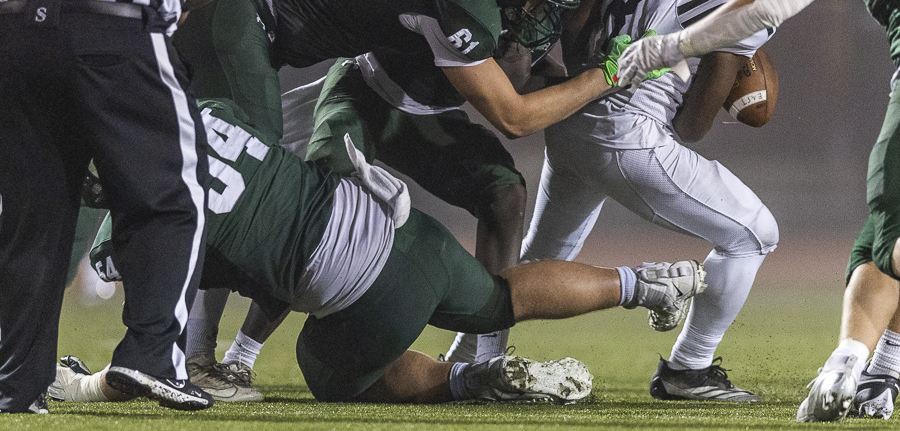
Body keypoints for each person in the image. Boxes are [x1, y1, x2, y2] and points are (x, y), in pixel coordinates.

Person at [50, 98, 705, 405]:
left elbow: (152, 326)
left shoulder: (145, 212)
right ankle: (645, 285)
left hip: (370, 299)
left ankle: (468, 379)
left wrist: (83, 383)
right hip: (406, 232)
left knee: (325, 369)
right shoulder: (210, 112)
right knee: (499, 298)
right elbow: (267, 221)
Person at [614, 0, 900, 422]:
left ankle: (850, 367)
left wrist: (676, 44)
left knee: (889, 236)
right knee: (885, 230)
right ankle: (879, 369)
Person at [297, 0, 633, 365]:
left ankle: (483, 351)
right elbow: (512, 112)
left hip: (425, 110)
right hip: (365, 91)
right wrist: (604, 77)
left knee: (504, 193)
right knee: (313, 207)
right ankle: (240, 349)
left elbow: (528, 73)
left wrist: (597, 84)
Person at [519, 0, 811, 403]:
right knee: (753, 234)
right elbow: (694, 125)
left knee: (539, 260)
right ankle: (688, 370)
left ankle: (468, 360)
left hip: (575, 110)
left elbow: (588, 22)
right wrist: (726, 66)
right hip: (629, 130)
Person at [0, 0, 242, 414]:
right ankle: (151, 356)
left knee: (32, 217)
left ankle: (14, 383)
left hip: (14, 39)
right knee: (172, 196)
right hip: (116, 32)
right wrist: (172, 6)